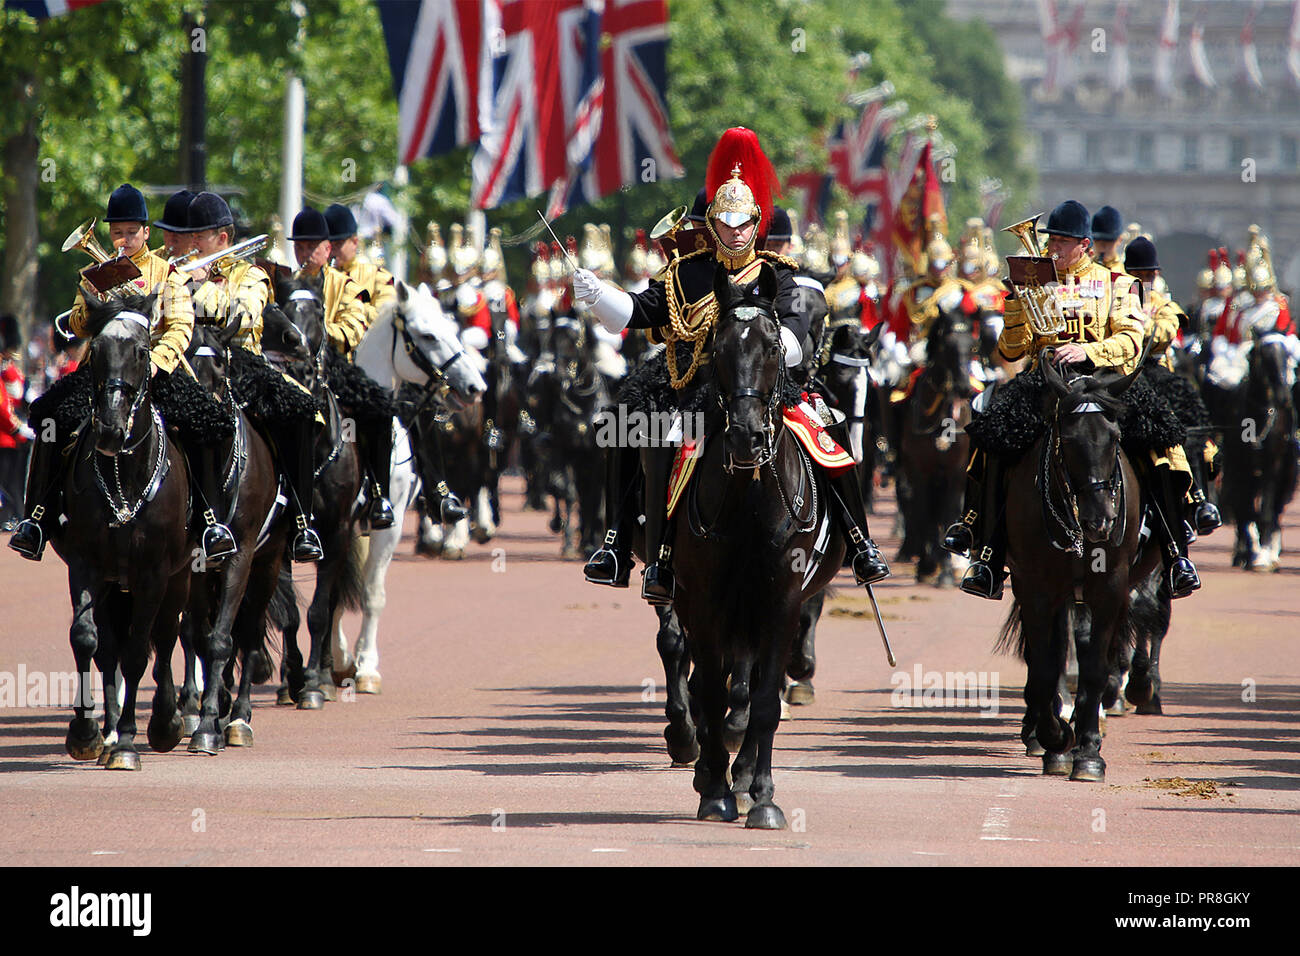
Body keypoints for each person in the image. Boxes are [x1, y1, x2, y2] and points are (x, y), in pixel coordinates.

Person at [573, 127, 889, 603]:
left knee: (830, 426)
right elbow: (639, 313)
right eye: (726, 221)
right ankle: (632, 549)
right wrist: (599, 295)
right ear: (713, 223)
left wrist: (760, 349)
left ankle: (861, 544)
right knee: (638, 429)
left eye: (744, 223)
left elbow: (796, 339)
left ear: (756, 222)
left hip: (761, 389)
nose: (735, 231)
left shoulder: (776, 274)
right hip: (696, 390)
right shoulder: (686, 272)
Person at [943, 199, 1200, 600]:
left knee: (1161, 436)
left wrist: (1088, 352)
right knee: (991, 428)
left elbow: (1132, 341)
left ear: (1084, 245)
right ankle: (984, 546)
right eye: (1051, 242)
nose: (1052, 249)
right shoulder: (1036, 282)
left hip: (1103, 383)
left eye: (1062, 242)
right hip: (1045, 385)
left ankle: (1174, 550)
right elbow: (1011, 351)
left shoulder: (1118, 284)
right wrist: (1015, 306)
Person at [8, 184, 231, 562]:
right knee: (49, 417)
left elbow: (179, 326)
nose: (123, 240)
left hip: (156, 369)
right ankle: (38, 516)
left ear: (146, 232)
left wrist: (156, 364)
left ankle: (210, 521)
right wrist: (96, 296)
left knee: (204, 420)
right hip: (104, 370)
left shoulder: (166, 271)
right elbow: (79, 325)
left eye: (131, 232)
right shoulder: (99, 270)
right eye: (117, 233)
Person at [186, 191, 323, 562]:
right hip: (185, 361)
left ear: (223, 239)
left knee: (301, 411)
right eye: (191, 236)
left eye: (200, 236)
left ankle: (300, 521)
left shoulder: (252, 275)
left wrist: (199, 288)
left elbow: (241, 319)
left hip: (240, 364)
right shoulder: (173, 270)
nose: (192, 243)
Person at [1124, 235, 1222, 536]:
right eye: (1137, 275)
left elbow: (1163, 333)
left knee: (1186, 419)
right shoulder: (1112, 298)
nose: (1144, 280)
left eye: (1149, 275)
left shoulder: (1163, 304)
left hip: (1155, 375)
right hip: (1119, 375)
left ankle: (1197, 499)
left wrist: (1136, 321)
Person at [323, 202, 398, 530]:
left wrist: (350, 313)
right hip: (323, 366)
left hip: (362, 367)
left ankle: (381, 493)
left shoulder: (377, 276)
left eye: (340, 243)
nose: (335, 250)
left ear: (355, 242)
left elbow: (385, 316)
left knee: (379, 413)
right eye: (330, 244)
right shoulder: (319, 276)